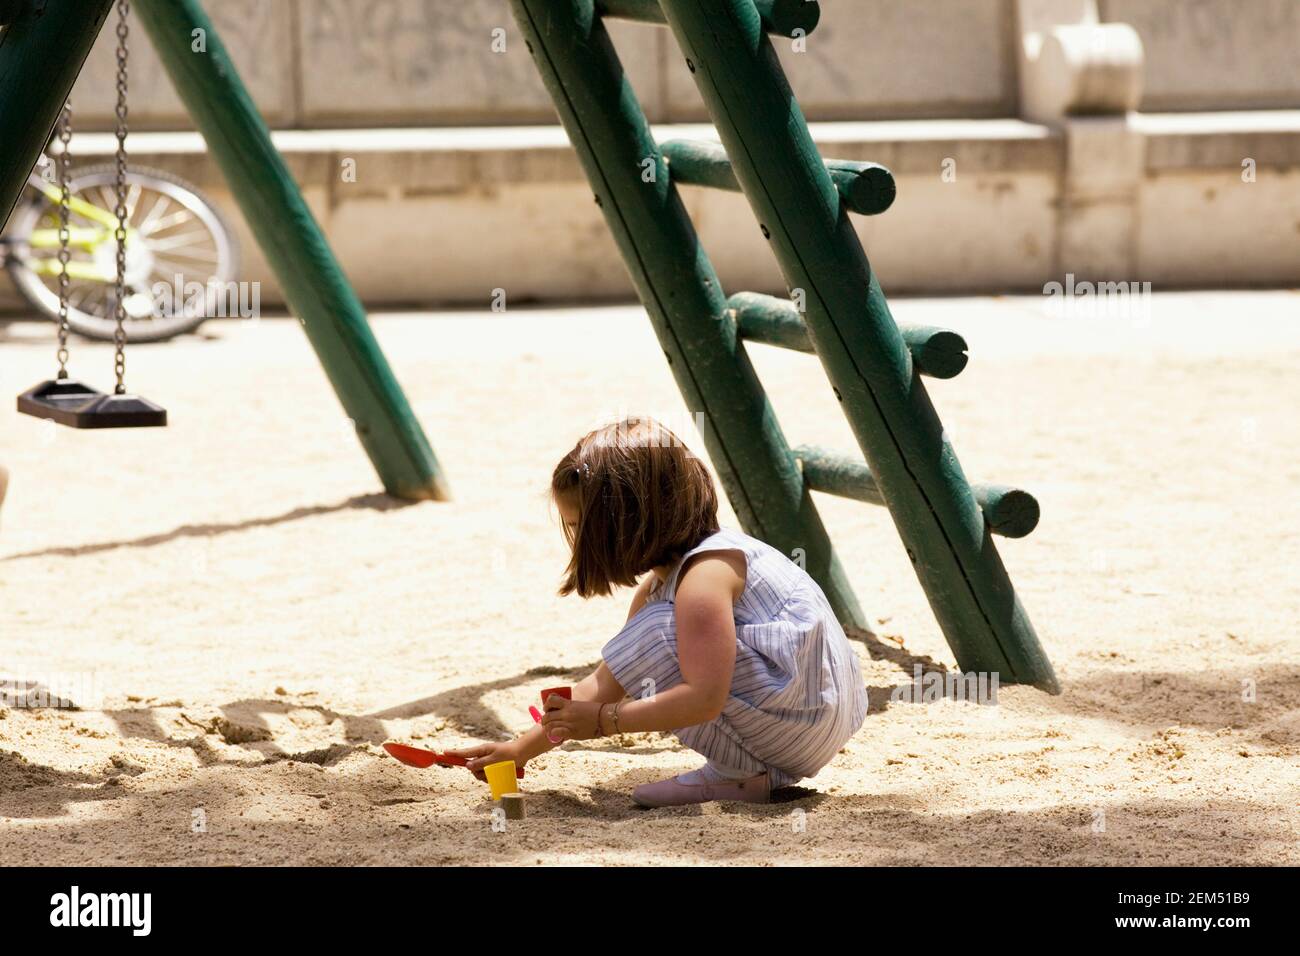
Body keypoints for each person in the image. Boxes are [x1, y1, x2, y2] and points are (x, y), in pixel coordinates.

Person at [451, 417, 869, 808]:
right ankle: (748, 766)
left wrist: (603, 722)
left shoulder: (702, 583)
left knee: (656, 633)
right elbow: (606, 680)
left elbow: (703, 700)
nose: (577, 542)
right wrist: (518, 751)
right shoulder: (683, 574)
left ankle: (739, 774)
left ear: (628, 521)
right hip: (820, 719)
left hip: (796, 730)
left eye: (581, 528)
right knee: (650, 633)